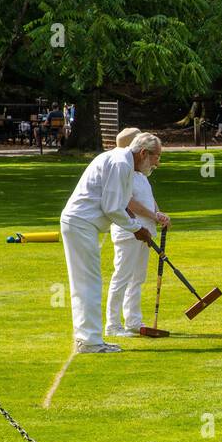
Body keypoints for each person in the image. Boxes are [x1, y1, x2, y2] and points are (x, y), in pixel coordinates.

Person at [60, 128, 169, 353]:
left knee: (87, 282)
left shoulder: (124, 163)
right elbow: (112, 207)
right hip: (81, 223)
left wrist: (139, 226)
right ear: (142, 153)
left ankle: (87, 339)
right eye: (156, 157)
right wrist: (136, 228)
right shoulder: (121, 164)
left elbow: (116, 204)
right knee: (88, 282)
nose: (156, 164)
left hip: (83, 224)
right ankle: (90, 342)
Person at [106, 133, 168, 337]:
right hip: (129, 232)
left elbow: (148, 199)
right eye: (155, 156)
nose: (157, 162)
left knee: (137, 278)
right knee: (122, 277)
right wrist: (152, 215)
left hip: (145, 232)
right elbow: (129, 203)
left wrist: (158, 214)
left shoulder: (141, 174)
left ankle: (133, 321)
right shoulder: (123, 171)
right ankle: (113, 325)